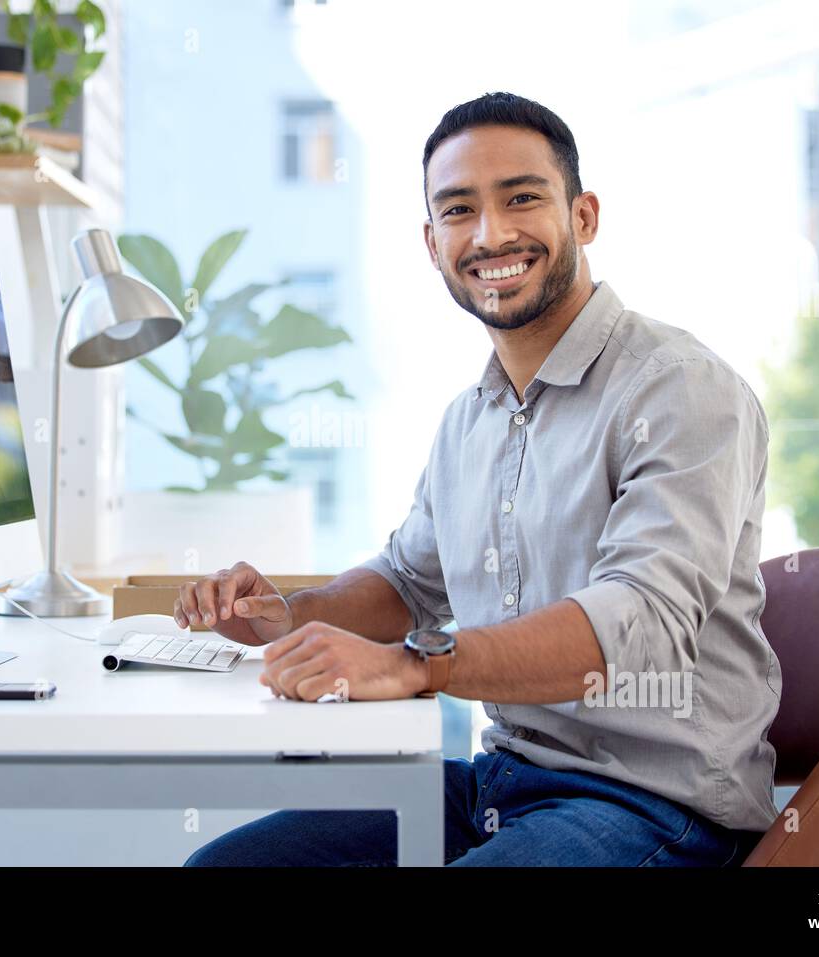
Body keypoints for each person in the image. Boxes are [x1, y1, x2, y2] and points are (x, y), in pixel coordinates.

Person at [180, 91, 780, 867]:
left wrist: (412, 664)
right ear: (433, 244)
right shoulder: (470, 420)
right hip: (501, 785)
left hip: (657, 803)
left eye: (522, 198)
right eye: (459, 210)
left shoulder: (679, 389)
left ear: (585, 216)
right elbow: (407, 580)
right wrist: (289, 615)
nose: (491, 233)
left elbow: (642, 618)